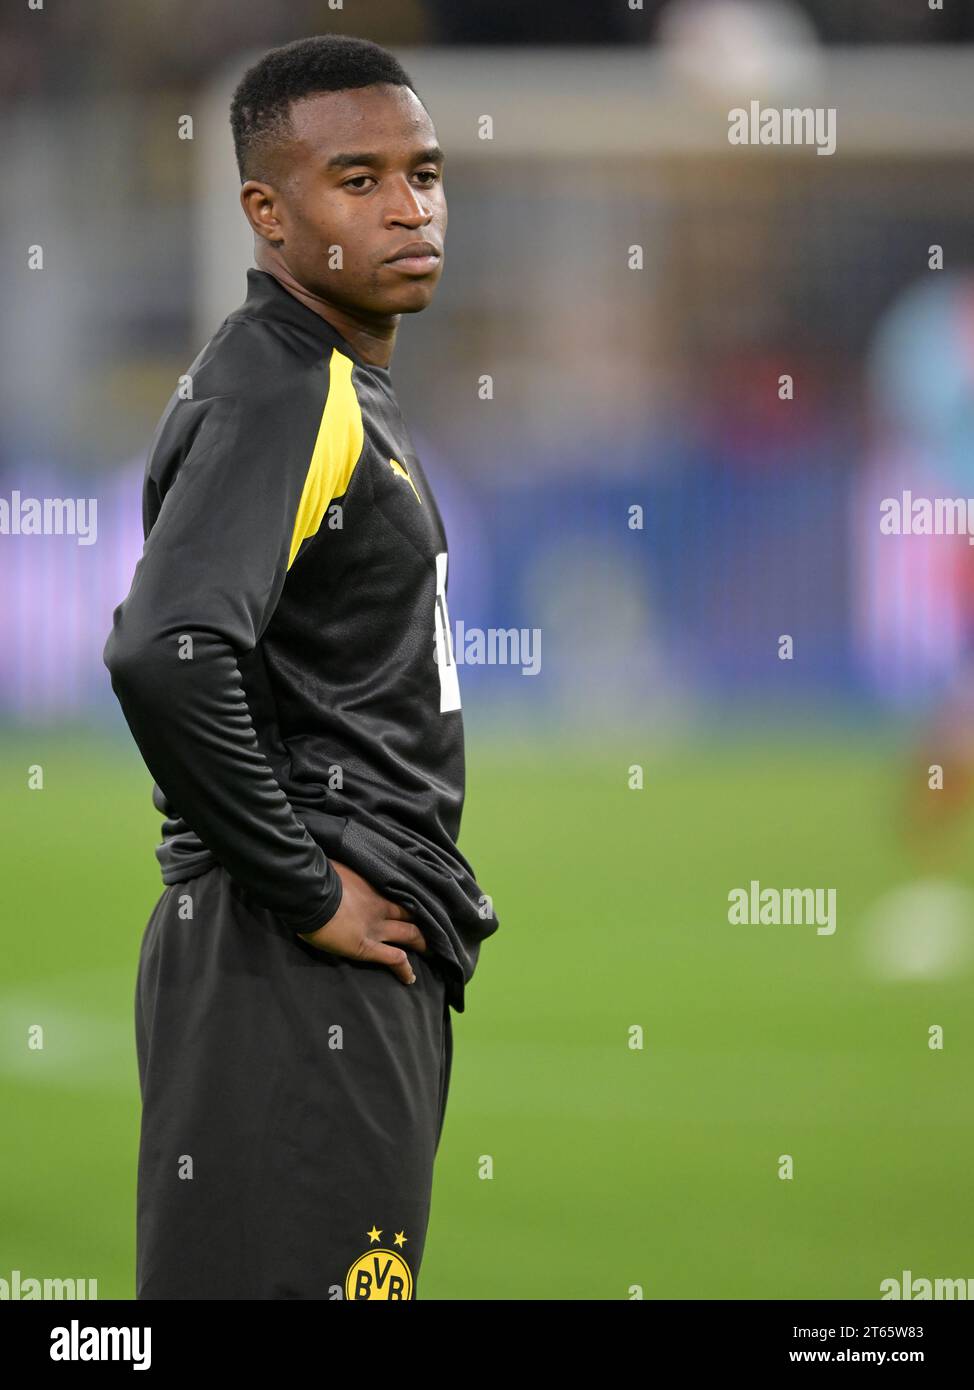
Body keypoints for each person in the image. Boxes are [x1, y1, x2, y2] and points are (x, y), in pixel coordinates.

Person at [103, 33, 498, 1301]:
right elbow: (166, 646)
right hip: (292, 960)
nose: (410, 206)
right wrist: (304, 886)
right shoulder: (285, 389)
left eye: (424, 173)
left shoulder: (332, 380)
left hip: (321, 954)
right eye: (360, 178)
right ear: (267, 214)